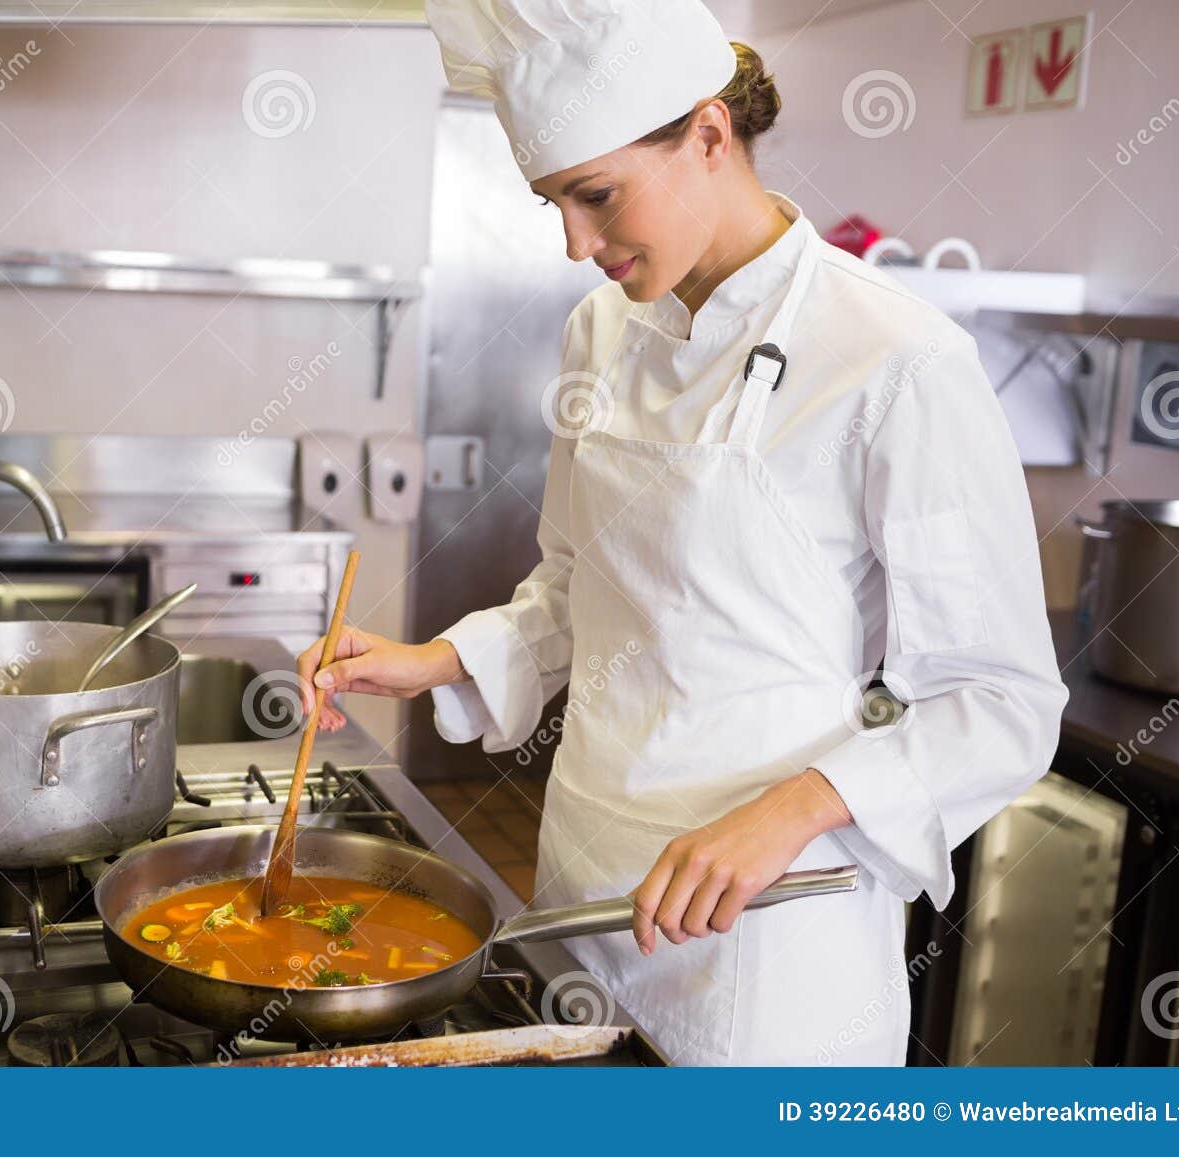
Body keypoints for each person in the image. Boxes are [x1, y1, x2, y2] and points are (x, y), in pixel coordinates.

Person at [296, 0, 1068, 1065]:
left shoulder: (896, 359)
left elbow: (1000, 698)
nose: (575, 243)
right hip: (585, 893)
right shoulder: (600, 329)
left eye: (596, 195)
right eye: (552, 203)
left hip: (768, 943)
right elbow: (575, 581)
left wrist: (794, 804)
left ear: (710, 134)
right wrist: (432, 659)